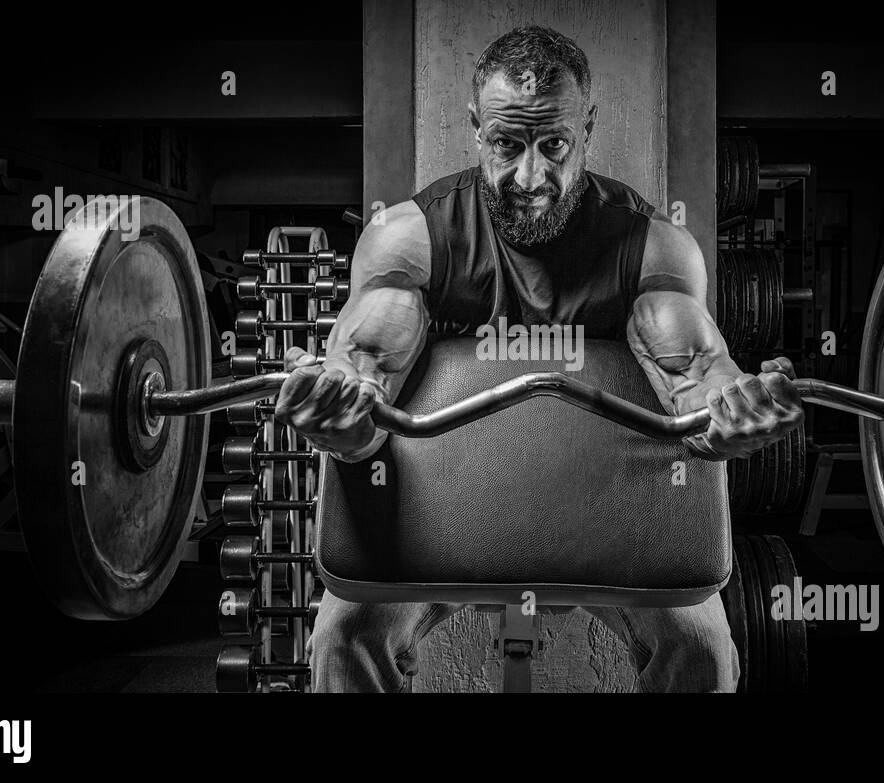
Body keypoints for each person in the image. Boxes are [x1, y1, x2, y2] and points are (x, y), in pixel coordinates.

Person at [275, 25, 804, 692]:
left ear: (586, 128)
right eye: (507, 144)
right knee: (343, 637)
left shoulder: (651, 247)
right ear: (475, 128)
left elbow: (694, 370)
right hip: (441, 519)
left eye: (553, 145)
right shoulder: (413, 239)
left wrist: (725, 412)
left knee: (703, 648)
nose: (530, 178)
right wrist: (343, 418)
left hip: (607, 519)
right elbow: (366, 371)